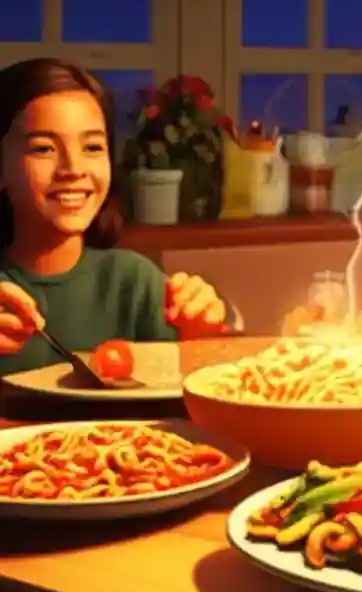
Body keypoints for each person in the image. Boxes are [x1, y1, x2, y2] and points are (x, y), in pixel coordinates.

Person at [0, 58, 233, 375]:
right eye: (44, 148)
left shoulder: (135, 283)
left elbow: (188, 396)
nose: (74, 169)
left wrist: (199, 333)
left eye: (92, 147)